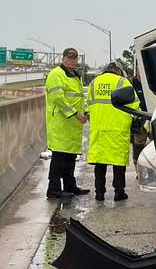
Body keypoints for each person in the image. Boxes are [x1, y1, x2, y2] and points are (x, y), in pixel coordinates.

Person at [86, 61, 139, 201]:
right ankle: (119, 192)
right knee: (118, 162)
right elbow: (135, 105)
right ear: (118, 70)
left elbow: (88, 106)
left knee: (100, 162)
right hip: (118, 128)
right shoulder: (123, 82)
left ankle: (99, 193)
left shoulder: (94, 83)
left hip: (99, 129)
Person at [44, 47, 89, 198]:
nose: (72, 61)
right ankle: (54, 189)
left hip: (73, 125)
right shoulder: (56, 74)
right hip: (61, 124)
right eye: (69, 58)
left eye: (74, 58)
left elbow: (80, 98)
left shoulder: (75, 76)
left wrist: (85, 112)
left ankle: (70, 186)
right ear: (63, 58)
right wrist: (75, 114)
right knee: (59, 158)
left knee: (70, 158)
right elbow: (58, 98)